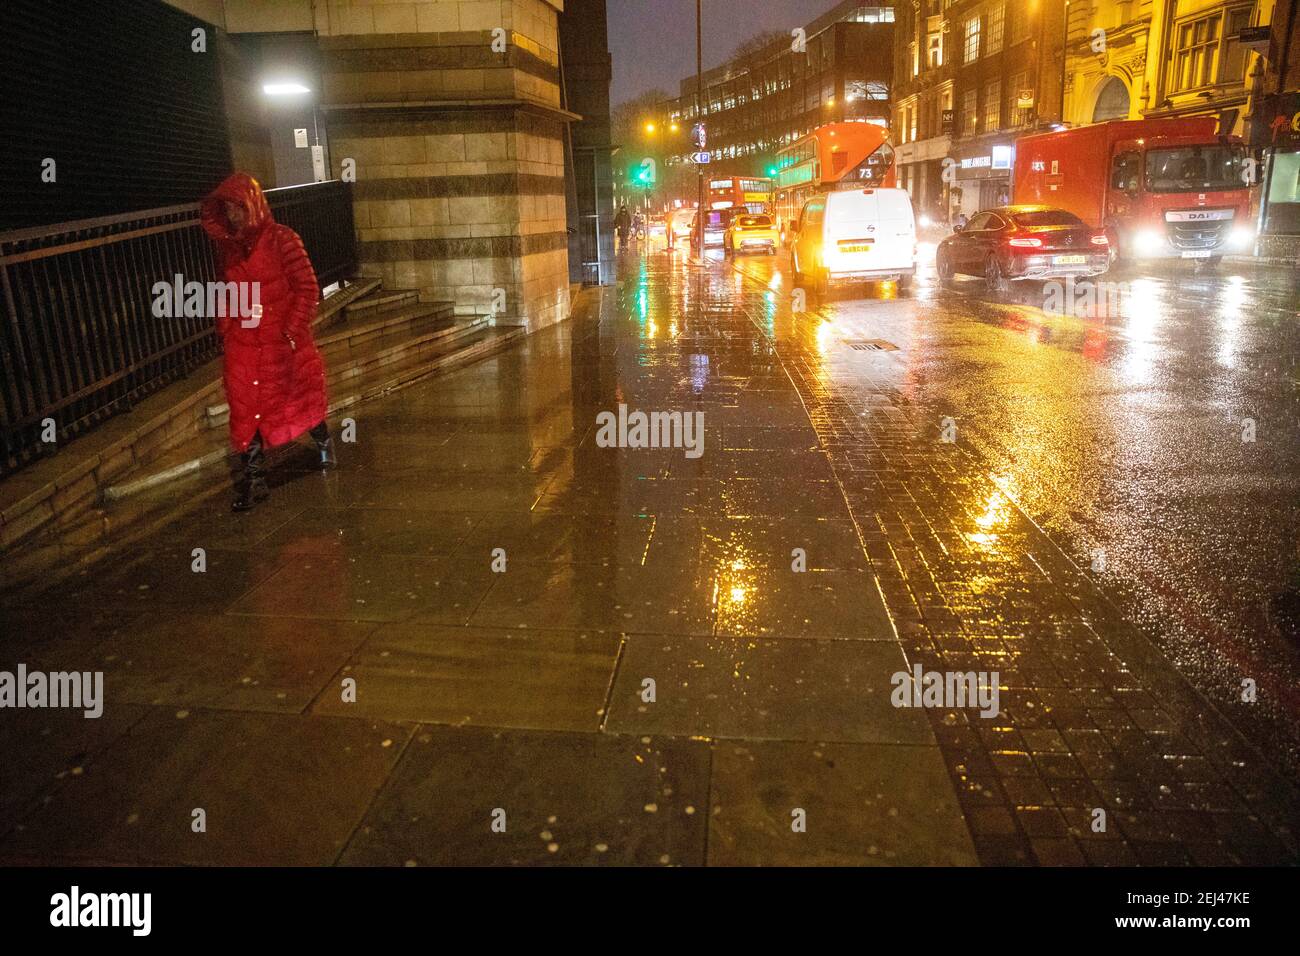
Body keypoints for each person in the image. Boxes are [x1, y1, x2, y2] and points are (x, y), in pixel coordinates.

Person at [200, 172, 334, 513]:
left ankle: (323, 441)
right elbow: (230, 291)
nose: (233, 216)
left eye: (238, 207)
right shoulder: (229, 250)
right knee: (244, 408)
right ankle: (254, 481)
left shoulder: (283, 239)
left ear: (254, 205)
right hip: (244, 343)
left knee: (299, 397)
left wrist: (289, 331)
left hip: (280, 341)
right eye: (227, 209)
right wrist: (225, 327)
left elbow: (307, 288)